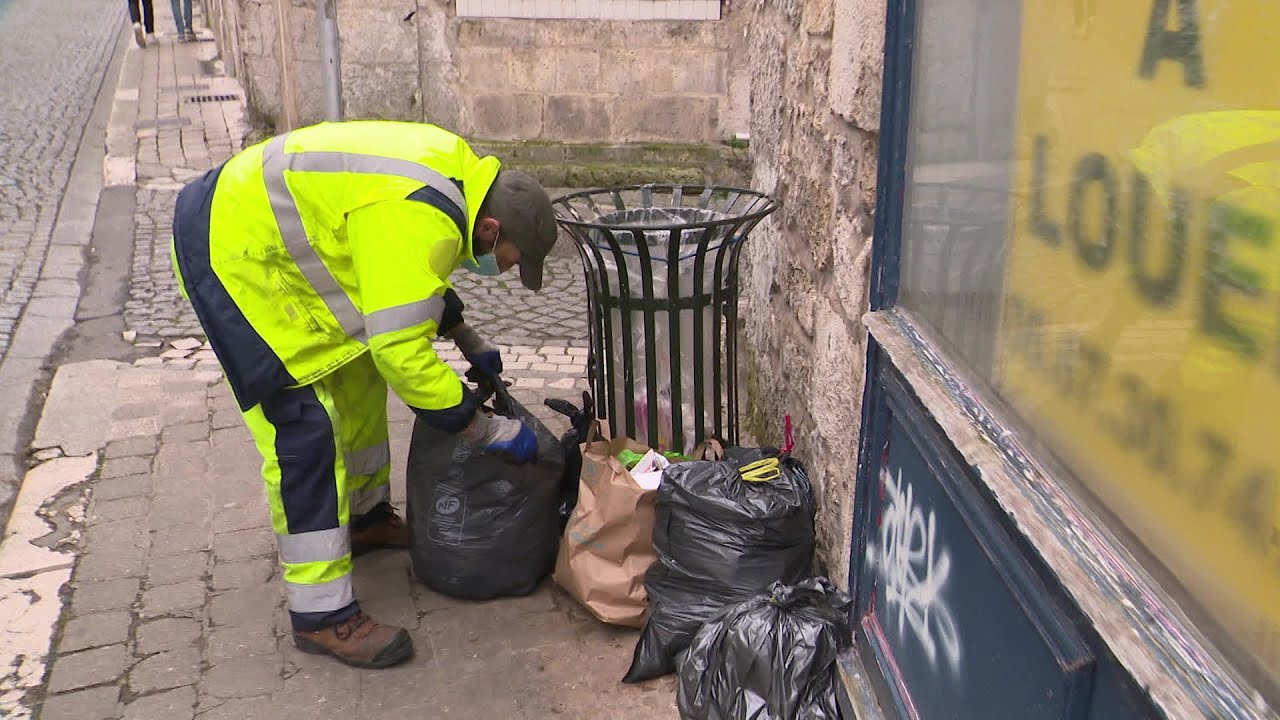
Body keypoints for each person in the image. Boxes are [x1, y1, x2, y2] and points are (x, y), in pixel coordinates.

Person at [170, 120, 559, 669]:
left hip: (276, 245)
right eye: (514, 259)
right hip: (232, 251)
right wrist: (484, 428)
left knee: (357, 376)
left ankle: (365, 517)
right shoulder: (428, 216)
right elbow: (401, 353)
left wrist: (467, 338)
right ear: (491, 229)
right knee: (305, 429)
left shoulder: (457, 176)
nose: (508, 269)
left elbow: (402, 278)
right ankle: (322, 615)